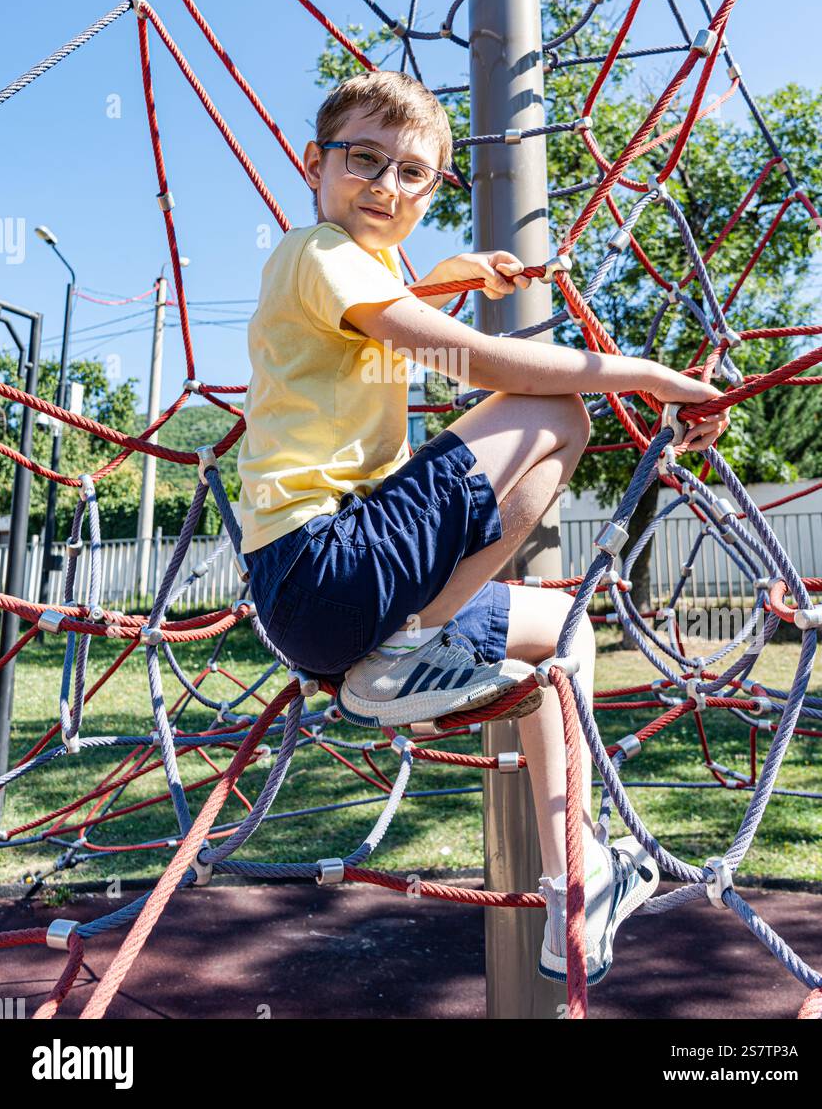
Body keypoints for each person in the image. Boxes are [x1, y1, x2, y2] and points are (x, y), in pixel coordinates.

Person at [237, 70, 730, 984]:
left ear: (431, 192)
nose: (385, 186)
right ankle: (405, 650)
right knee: (558, 414)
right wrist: (643, 372)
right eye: (363, 160)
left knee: (565, 640)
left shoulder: (365, 270)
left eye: (413, 174)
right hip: (323, 565)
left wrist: (442, 278)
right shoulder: (315, 250)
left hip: (334, 599)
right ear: (316, 164)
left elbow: (386, 323)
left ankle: (572, 890)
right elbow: (456, 354)